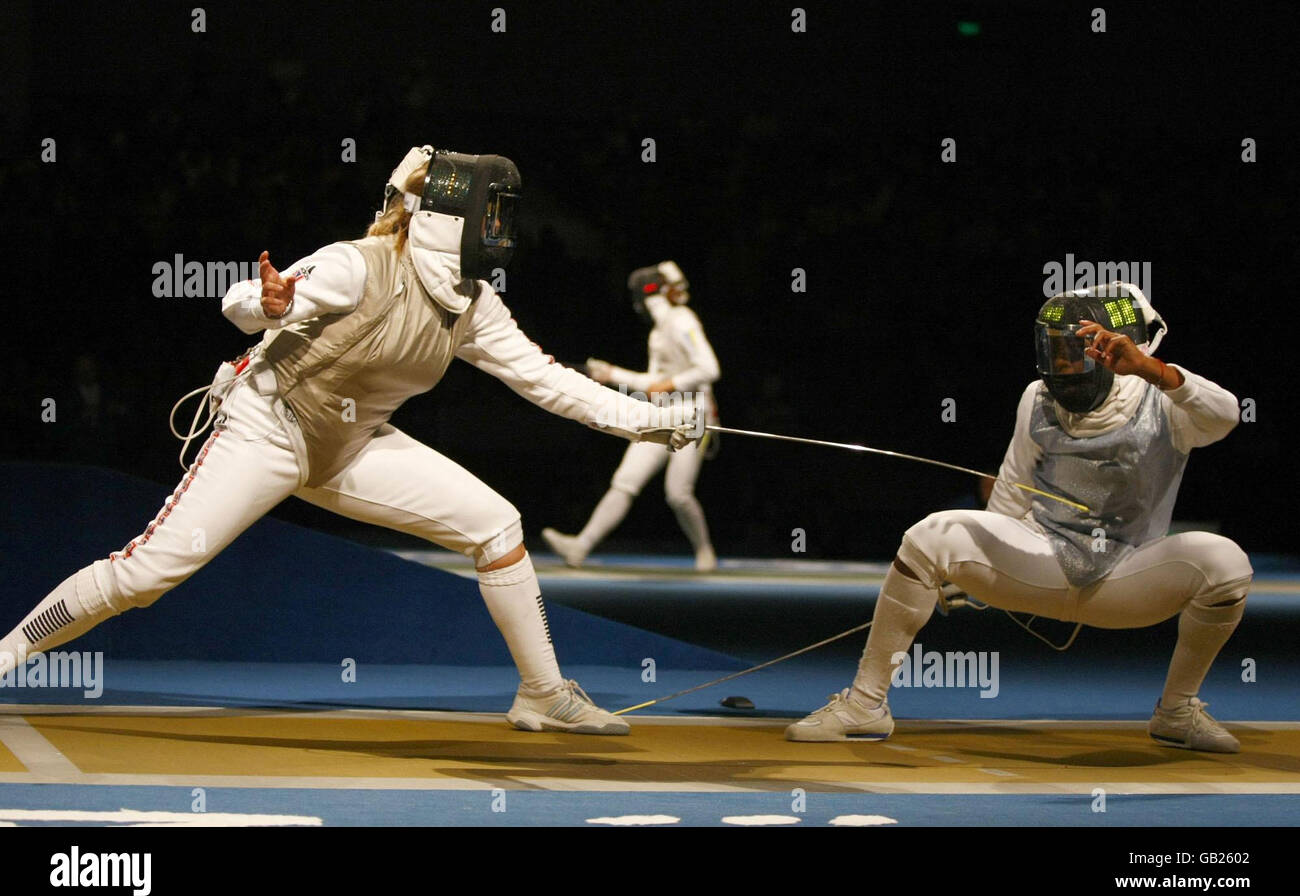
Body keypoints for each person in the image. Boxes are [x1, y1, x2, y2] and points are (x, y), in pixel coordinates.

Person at [0, 145, 698, 736]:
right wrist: (268, 305)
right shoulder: (359, 264)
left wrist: (649, 419)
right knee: (146, 575)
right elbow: (242, 300)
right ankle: (9, 653)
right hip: (267, 427)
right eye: (488, 212)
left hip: (352, 445)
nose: (498, 228)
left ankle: (543, 693)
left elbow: (550, 382)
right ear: (441, 216)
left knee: (496, 525)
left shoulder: (473, 303)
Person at [786, 284, 1253, 752]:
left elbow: (1226, 415)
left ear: (1123, 345)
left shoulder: (1169, 403)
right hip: (1041, 562)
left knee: (1225, 562)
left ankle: (1175, 712)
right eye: (1057, 349)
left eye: (1079, 348)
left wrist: (1153, 371)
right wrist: (967, 573)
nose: (1065, 364)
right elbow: (1009, 497)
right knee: (933, 535)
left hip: (1128, 580)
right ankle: (865, 706)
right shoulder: (1037, 397)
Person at [542, 261, 720, 571]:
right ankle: (580, 547)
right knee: (625, 481)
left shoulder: (681, 321)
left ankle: (705, 551)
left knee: (678, 494)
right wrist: (610, 373)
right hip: (664, 413)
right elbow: (653, 386)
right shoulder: (659, 333)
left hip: (694, 415)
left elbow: (709, 368)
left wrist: (670, 384)